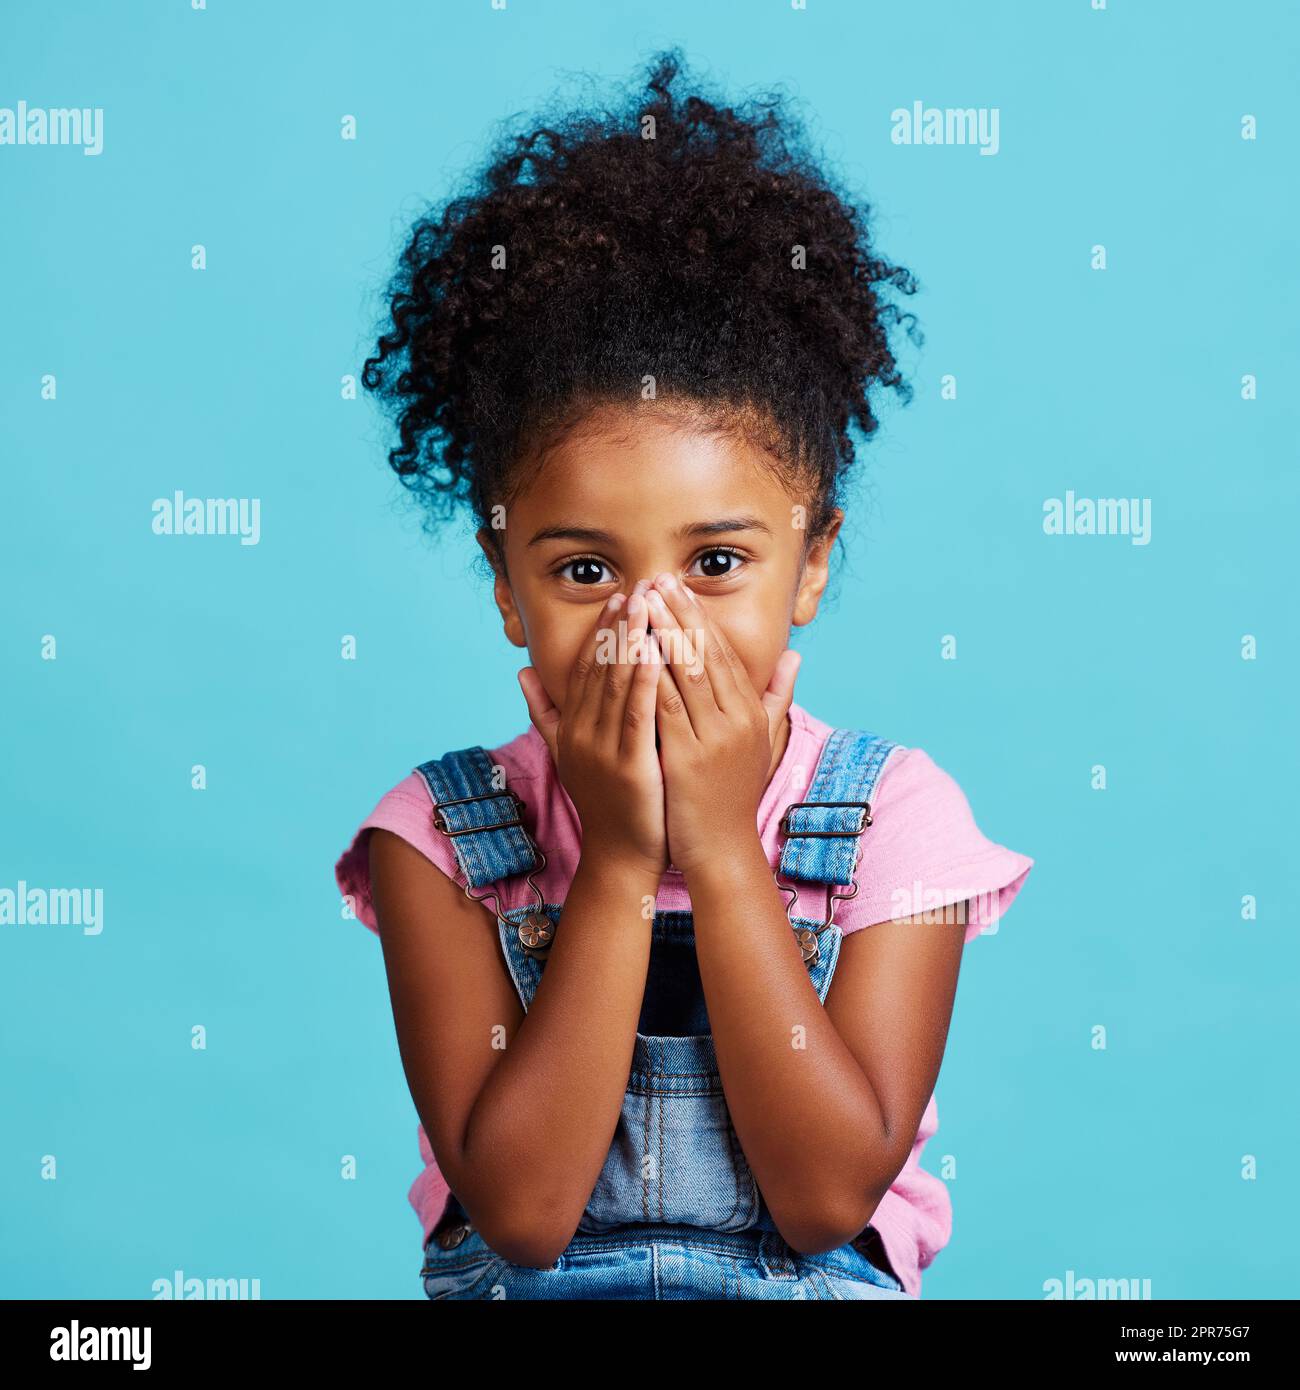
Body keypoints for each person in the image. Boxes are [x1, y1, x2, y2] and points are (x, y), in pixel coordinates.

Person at [335, 49, 1033, 1300]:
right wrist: (612, 860)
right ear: (504, 583)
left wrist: (716, 850)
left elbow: (826, 1202)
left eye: (715, 560)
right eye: (584, 571)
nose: (650, 627)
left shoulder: (899, 822)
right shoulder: (434, 839)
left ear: (811, 564)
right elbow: (527, 1217)